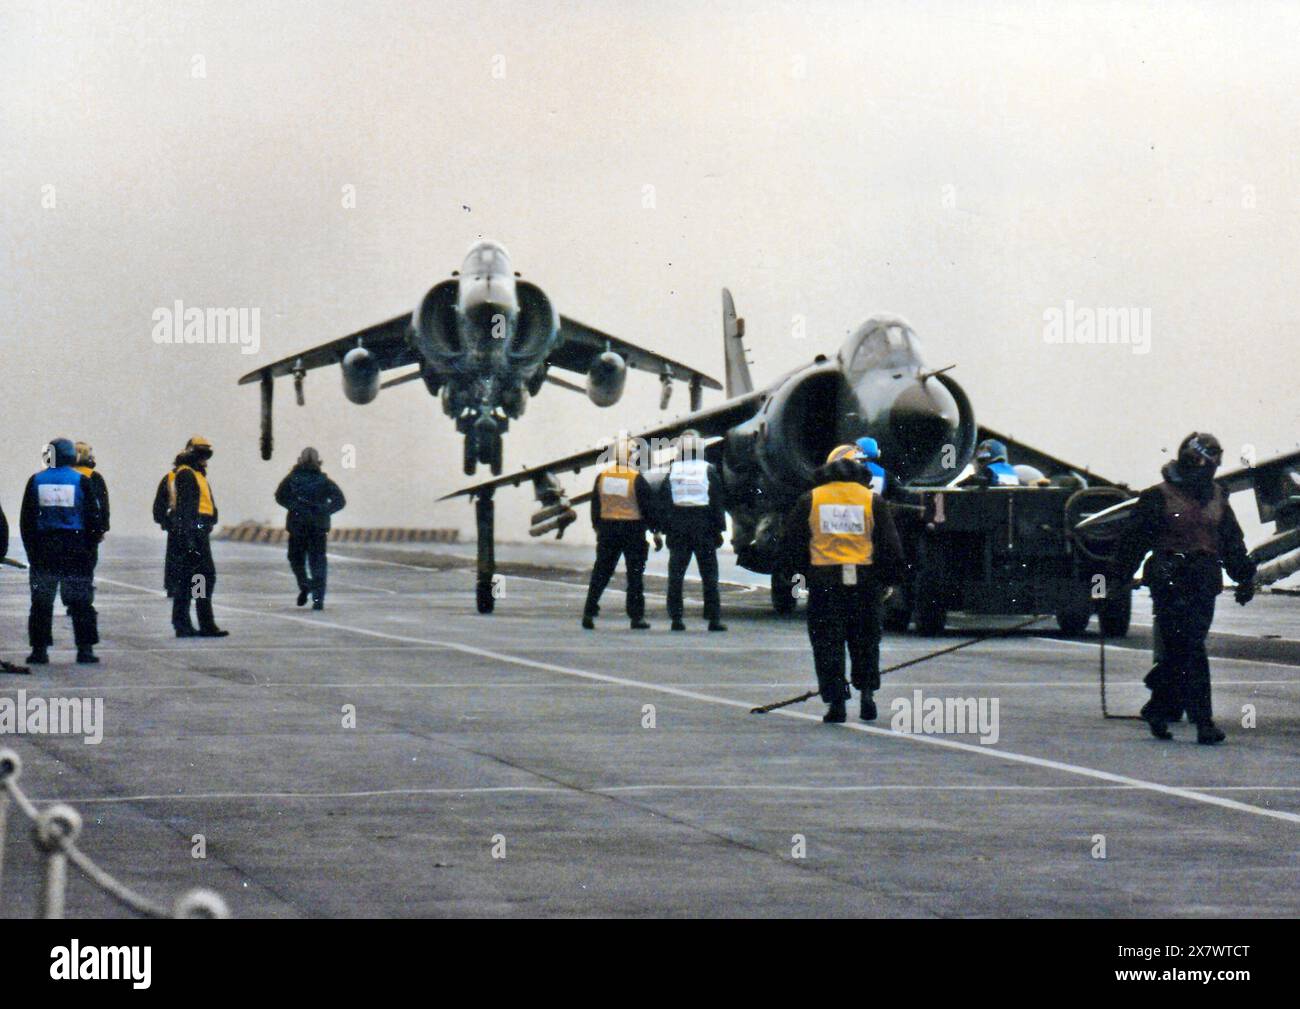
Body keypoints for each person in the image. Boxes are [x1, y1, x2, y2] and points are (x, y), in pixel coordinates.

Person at [1111, 432, 1256, 744]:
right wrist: (1119, 577)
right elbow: (1133, 541)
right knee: (1191, 647)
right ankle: (1204, 722)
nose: (1208, 472)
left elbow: (1231, 541)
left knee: (1183, 649)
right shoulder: (1157, 497)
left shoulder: (1218, 498)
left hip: (1203, 580)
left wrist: (1244, 576)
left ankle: (1157, 706)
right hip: (1169, 580)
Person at [784, 444, 905, 723]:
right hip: (865, 582)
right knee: (866, 641)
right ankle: (867, 697)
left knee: (828, 644)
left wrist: (798, 573)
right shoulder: (871, 499)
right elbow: (889, 545)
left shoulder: (811, 499)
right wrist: (889, 580)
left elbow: (793, 544)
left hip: (824, 582)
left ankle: (836, 703)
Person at [19, 439, 104, 664]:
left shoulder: (35, 481)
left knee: (41, 601)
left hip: (44, 548)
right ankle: (85, 649)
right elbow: (94, 520)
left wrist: (32, 552)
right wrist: (89, 548)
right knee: (80, 601)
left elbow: (26, 521)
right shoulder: (82, 481)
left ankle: (39, 650)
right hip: (75, 548)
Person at [657, 430, 727, 632]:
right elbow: (717, 501)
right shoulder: (708, 469)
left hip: (678, 527)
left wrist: (665, 529)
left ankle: (676, 619)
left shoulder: (673, 470)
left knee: (676, 576)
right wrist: (719, 530)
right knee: (710, 576)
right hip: (703, 526)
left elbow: (665, 502)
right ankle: (713, 619)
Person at [582, 436, 655, 630]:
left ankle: (589, 611)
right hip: (633, 531)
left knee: (601, 572)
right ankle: (636, 617)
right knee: (635, 576)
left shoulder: (603, 476)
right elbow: (648, 508)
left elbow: (595, 506)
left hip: (608, 530)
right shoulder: (636, 478)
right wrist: (655, 531)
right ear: (631, 455)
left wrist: (597, 527)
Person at [166, 436, 228, 638]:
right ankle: (183, 624)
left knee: (201, 578)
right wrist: (189, 538)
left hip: (197, 534)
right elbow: (186, 510)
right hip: (190, 536)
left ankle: (204, 623)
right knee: (187, 580)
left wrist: (208, 522)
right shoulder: (185, 475)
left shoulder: (197, 475)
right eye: (201, 455)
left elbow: (205, 505)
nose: (205, 459)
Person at [275, 447, 347, 610]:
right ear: (318, 461)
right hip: (318, 527)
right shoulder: (324, 481)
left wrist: (294, 507)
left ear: (300, 460)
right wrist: (325, 510)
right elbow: (340, 501)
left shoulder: (292, 479)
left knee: (296, 559)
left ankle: (304, 583)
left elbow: (280, 497)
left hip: (297, 525)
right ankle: (318, 599)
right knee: (318, 561)